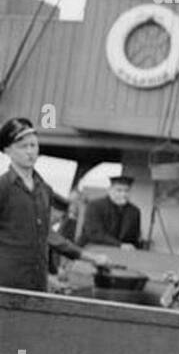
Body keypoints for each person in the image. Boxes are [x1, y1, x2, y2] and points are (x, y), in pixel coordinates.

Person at [0, 117, 106, 290]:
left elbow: (47, 235)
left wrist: (86, 256)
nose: (29, 152)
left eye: (33, 145)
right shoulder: (3, 187)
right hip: (6, 284)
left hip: (37, 283)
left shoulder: (44, 190)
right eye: (22, 146)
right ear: (7, 151)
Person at [80, 173, 143, 248]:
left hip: (121, 253)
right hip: (92, 249)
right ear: (110, 190)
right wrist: (119, 245)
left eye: (127, 191)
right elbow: (94, 233)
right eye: (119, 190)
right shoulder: (95, 206)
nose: (123, 194)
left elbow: (134, 238)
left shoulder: (134, 211)